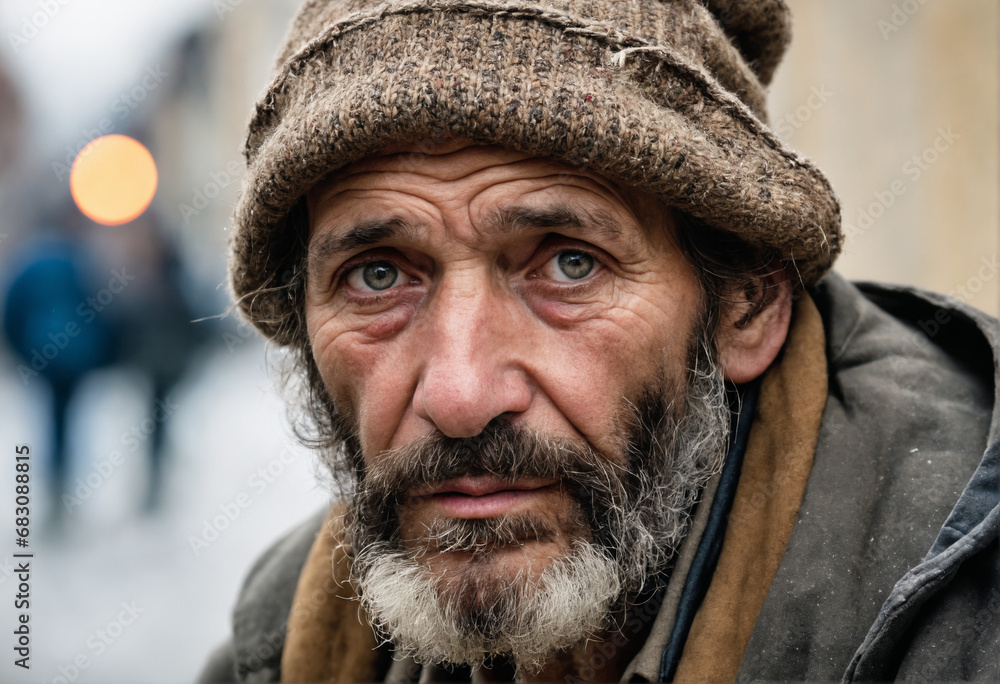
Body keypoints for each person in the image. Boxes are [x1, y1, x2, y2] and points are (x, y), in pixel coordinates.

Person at [202, 0, 999, 681]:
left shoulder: (966, 619)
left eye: (569, 263)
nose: (460, 396)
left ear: (746, 305)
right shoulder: (283, 642)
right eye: (378, 277)